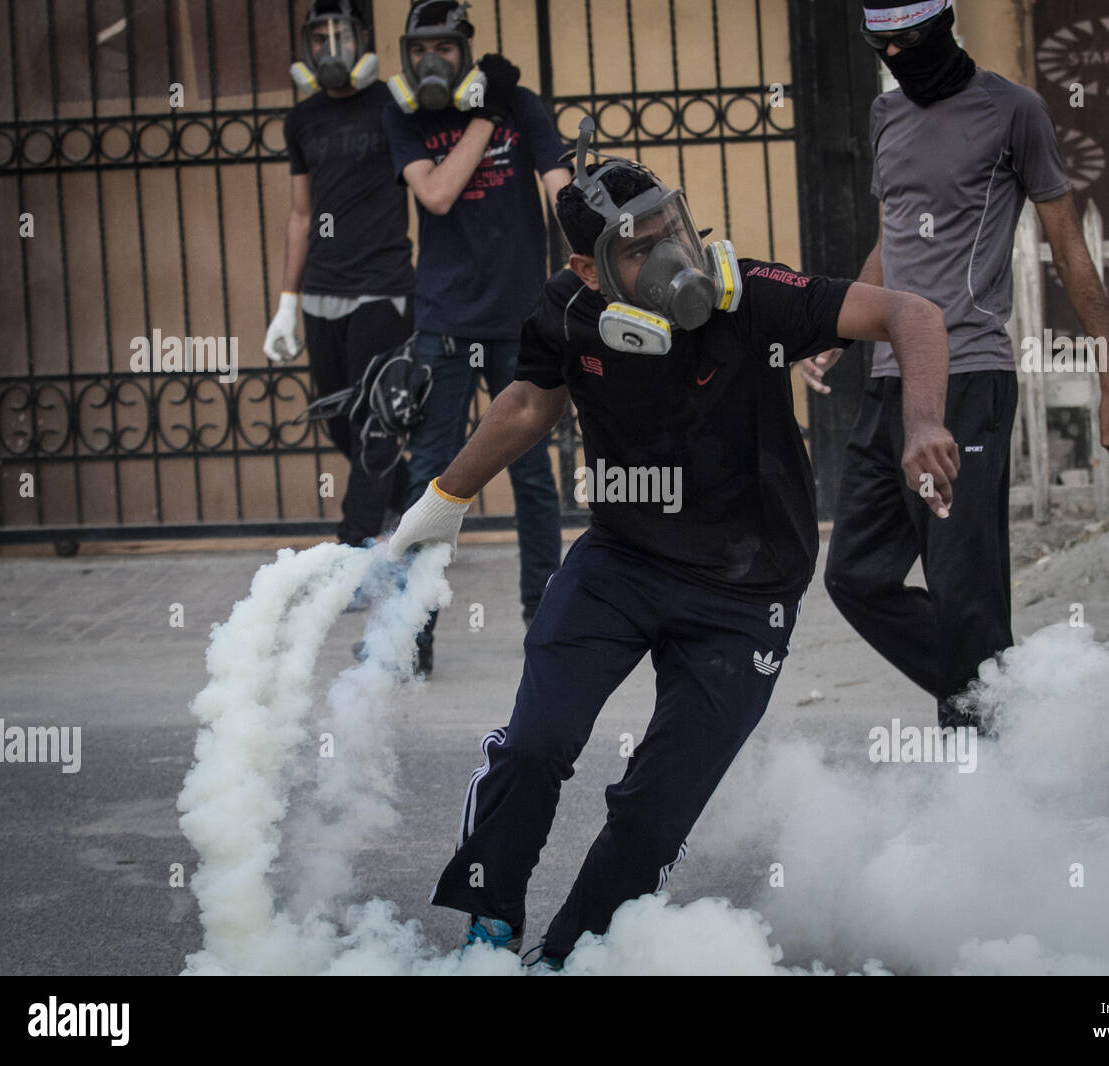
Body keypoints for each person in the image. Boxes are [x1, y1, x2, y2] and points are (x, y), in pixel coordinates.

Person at [384, 120, 959, 966]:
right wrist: (445, 497)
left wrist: (924, 422)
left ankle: (570, 956)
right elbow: (531, 404)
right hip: (621, 562)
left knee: (653, 813)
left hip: (746, 594)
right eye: (638, 249)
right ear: (588, 269)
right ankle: (490, 921)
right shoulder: (566, 310)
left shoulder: (749, 297)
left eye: (671, 232)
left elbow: (913, 313)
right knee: (534, 746)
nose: (670, 258)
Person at [803, 0, 1109, 729]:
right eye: (881, 47)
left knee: (966, 592)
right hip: (891, 380)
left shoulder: (1014, 111)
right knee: (855, 575)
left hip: (969, 378)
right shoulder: (886, 115)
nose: (896, 58)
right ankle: (1009, 704)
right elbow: (891, 242)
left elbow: (1069, 250)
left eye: (908, 41)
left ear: (944, 25)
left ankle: (984, 754)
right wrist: (840, 327)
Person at [380, 0, 566, 675]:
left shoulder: (523, 105)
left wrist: (594, 243)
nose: (430, 60)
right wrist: (487, 114)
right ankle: (413, 633)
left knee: (533, 477)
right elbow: (435, 194)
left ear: (464, 50)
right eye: (419, 49)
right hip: (446, 323)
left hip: (521, 322)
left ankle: (546, 620)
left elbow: (561, 190)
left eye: (444, 48)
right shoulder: (405, 114)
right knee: (432, 476)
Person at [266, 0, 416, 549]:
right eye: (319, 38)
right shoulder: (301, 119)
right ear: (306, 47)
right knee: (338, 422)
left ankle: (353, 547)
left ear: (363, 39)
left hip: (382, 290)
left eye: (341, 35)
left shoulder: (393, 107)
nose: (330, 48)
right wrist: (287, 302)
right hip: (320, 294)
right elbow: (301, 213)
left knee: (375, 421)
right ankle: (415, 505)